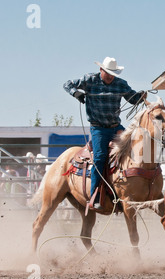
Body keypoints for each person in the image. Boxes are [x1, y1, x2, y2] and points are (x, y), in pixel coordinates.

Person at [64, 57, 146, 209]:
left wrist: (140, 97)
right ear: (101, 70)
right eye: (107, 72)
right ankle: (95, 194)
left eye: (112, 73)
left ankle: (129, 190)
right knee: (100, 157)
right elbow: (67, 84)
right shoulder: (90, 80)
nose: (110, 76)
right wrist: (76, 93)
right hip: (98, 128)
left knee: (134, 150)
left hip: (116, 127)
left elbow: (132, 99)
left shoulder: (120, 84)